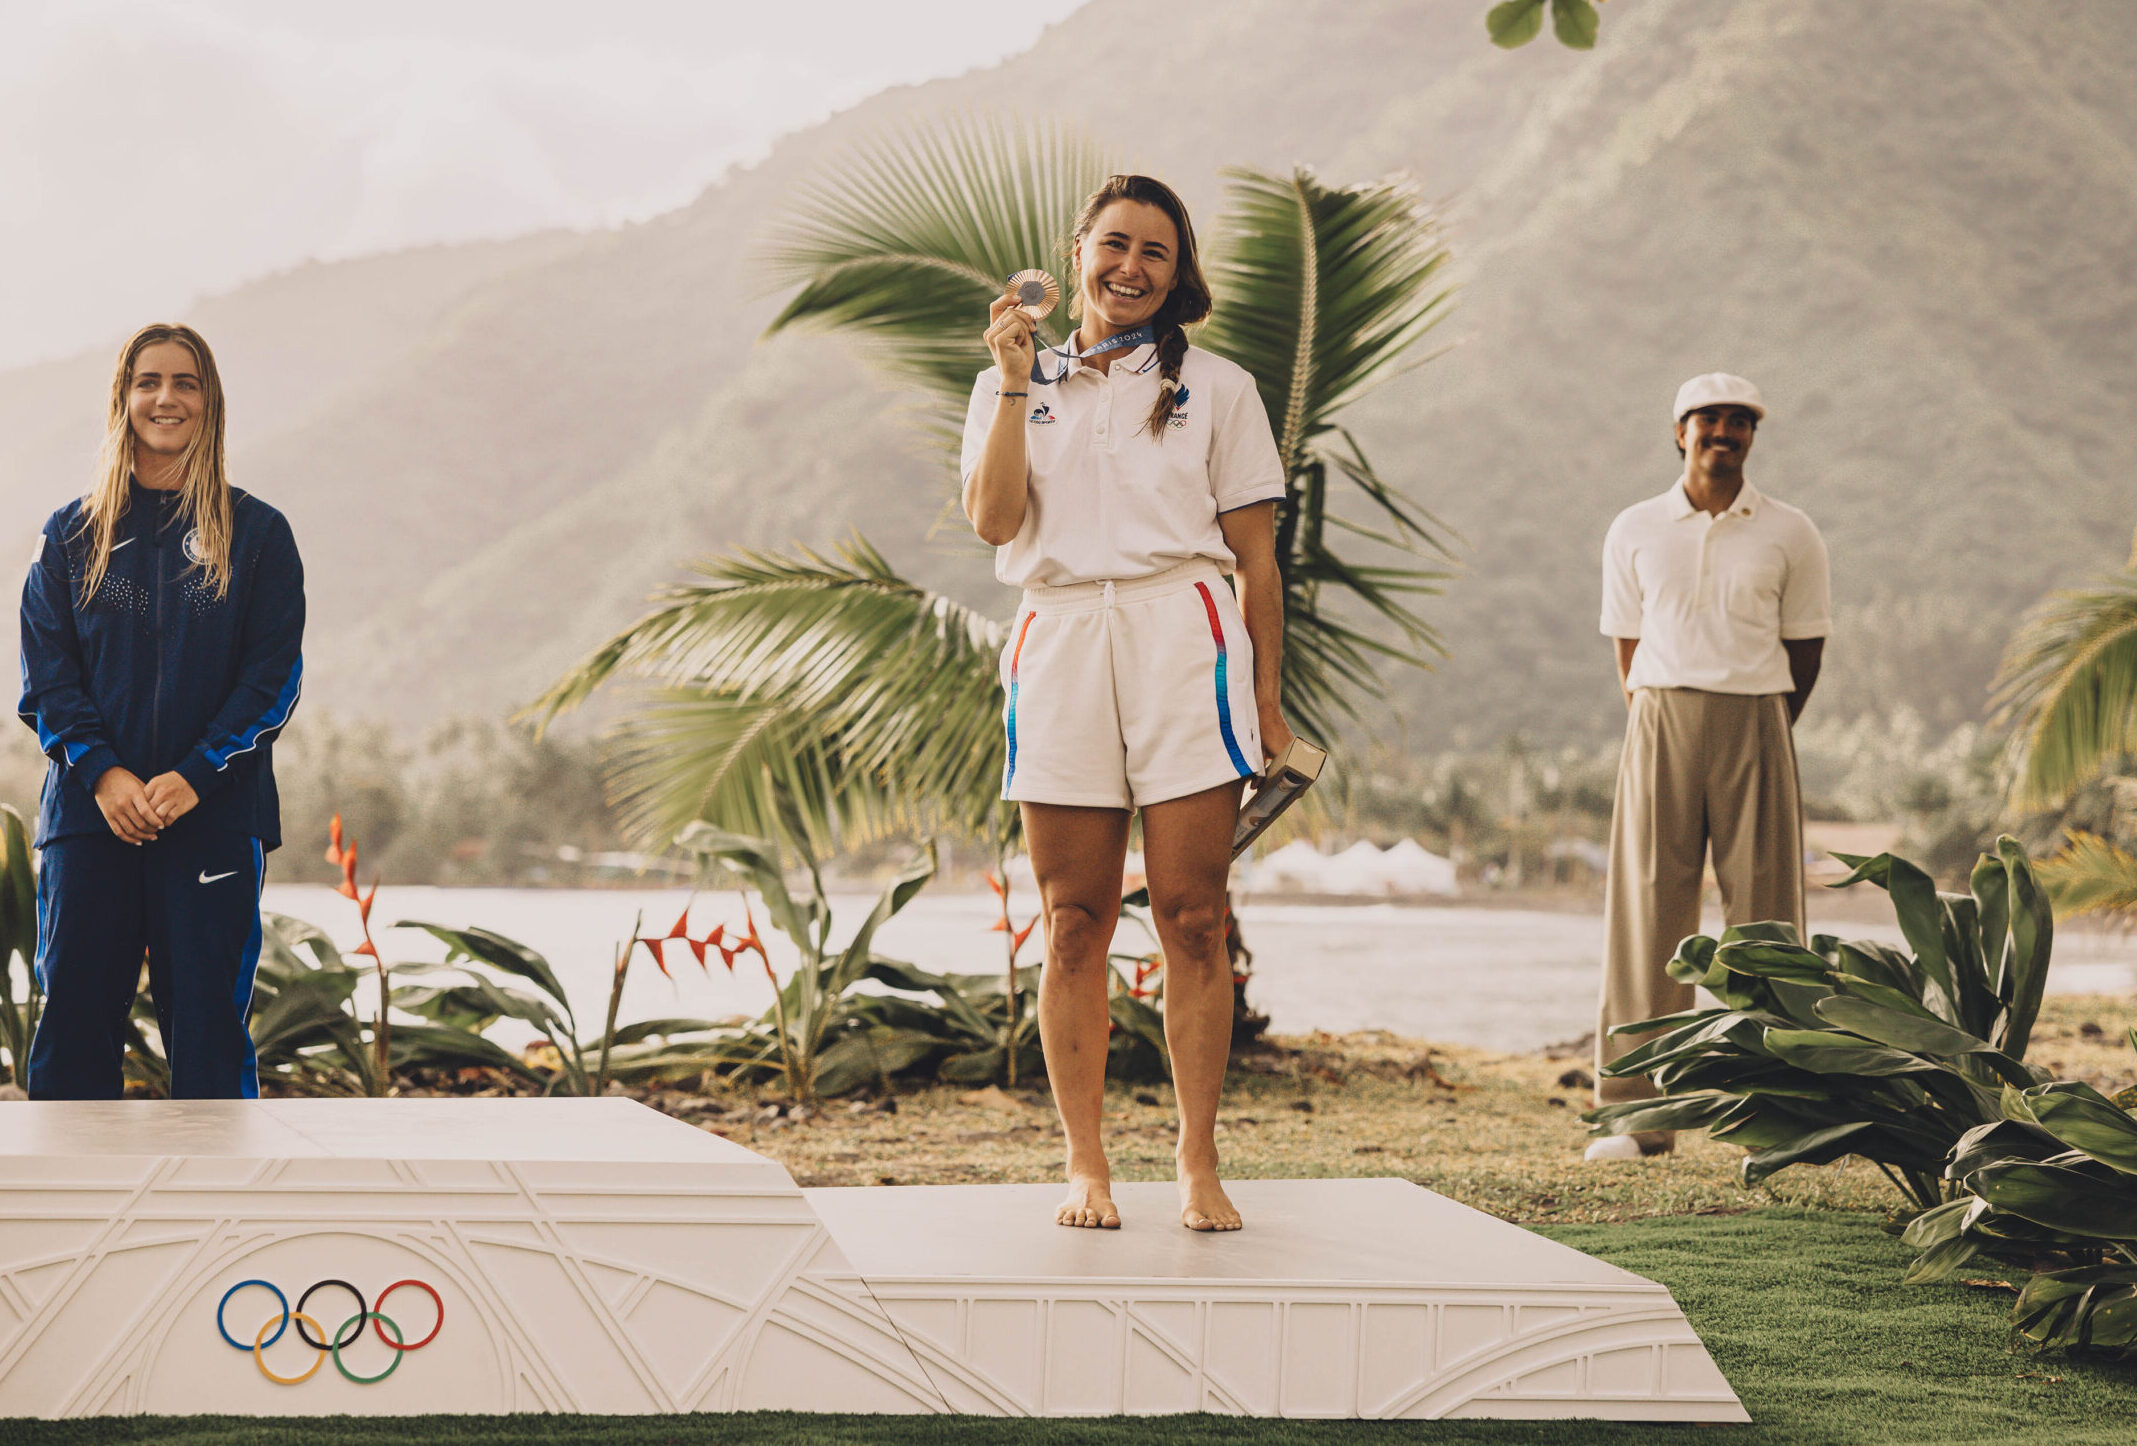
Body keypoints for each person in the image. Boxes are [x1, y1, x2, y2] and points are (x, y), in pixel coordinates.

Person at [961, 175, 1290, 1231]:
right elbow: (993, 521)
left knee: (1194, 914)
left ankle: (1197, 1161)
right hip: (1057, 637)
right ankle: (1085, 1164)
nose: (1131, 268)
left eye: (1155, 252)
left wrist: (1269, 708)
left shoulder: (1221, 389)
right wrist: (1014, 381)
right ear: (1076, 255)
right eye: (1114, 246)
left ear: (1177, 271)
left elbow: (1257, 564)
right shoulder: (1009, 384)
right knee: (1072, 923)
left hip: (1182, 634)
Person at [19, 323, 304, 1101]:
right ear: (124, 398)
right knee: (75, 1023)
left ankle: (225, 1216)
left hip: (210, 816)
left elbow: (272, 678)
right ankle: (70, 1217)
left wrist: (194, 774)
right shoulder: (72, 537)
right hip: (90, 817)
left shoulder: (258, 536)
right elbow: (48, 677)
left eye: (185, 382)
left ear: (209, 402)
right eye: (149, 381)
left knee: (209, 1027)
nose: (166, 397)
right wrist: (105, 775)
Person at [1587, 373, 1829, 1160]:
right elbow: (1625, 639)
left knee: (1766, 918)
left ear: (1753, 436)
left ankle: (1777, 1116)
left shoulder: (1791, 531)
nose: (1723, 431)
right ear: (1678, 431)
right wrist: (1657, 713)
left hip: (1758, 713)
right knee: (1646, 911)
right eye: (1708, 419)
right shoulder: (1633, 527)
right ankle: (1633, 1114)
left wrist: (1763, 722)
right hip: (1658, 714)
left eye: (1739, 421)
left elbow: (1805, 644)